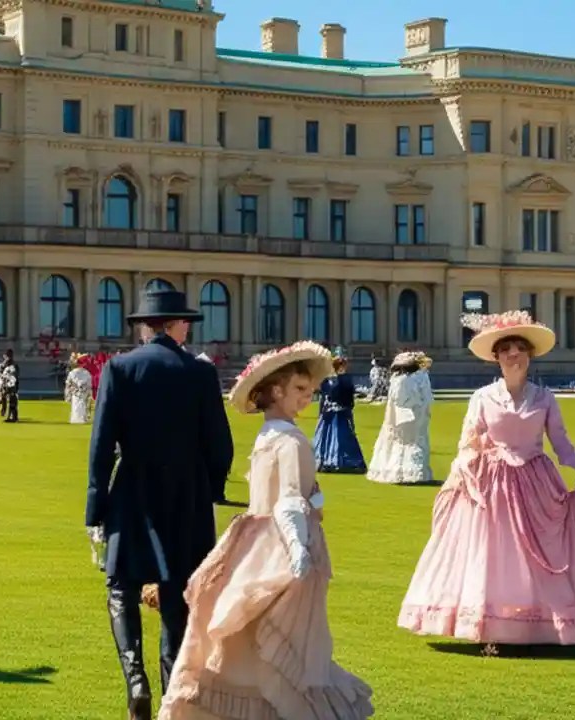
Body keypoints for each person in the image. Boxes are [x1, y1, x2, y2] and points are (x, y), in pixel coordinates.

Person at [160, 341, 373, 719]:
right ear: (276, 391)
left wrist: (312, 500)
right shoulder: (290, 439)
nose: (308, 399)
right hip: (281, 543)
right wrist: (299, 549)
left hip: (253, 542)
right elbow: (289, 500)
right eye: (299, 390)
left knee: (249, 635)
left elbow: (290, 493)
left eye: (309, 391)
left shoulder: (267, 436)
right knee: (292, 641)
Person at [398, 311, 575, 647]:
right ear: (496, 357)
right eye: (506, 349)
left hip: (536, 481)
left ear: (530, 355)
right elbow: (468, 439)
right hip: (493, 482)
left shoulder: (544, 397)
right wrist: (464, 467)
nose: (513, 354)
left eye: (520, 348)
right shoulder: (482, 397)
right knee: (493, 552)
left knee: (536, 555)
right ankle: (490, 623)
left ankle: (535, 621)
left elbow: (560, 439)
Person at [86, 289, 233, 720]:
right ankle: (172, 693)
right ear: (173, 324)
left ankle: (135, 680)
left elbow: (101, 446)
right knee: (177, 597)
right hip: (186, 494)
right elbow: (219, 445)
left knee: (121, 588)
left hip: (133, 489)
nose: (189, 328)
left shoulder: (120, 368)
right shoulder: (200, 373)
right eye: (186, 321)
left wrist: (96, 507)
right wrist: (209, 487)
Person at [367, 351, 434, 484]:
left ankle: (397, 470)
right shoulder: (418, 378)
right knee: (412, 441)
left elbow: (394, 400)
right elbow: (426, 398)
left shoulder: (397, 380)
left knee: (400, 441)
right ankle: (412, 472)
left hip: (400, 413)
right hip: (414, 413)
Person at [311, 347, 367, 474]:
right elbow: (345, 398)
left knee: (335, 437)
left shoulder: (330, 380)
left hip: (332, 413)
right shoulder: (342, 380)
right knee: (339, 437)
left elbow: (325, 397)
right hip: (336, 413)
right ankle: (338, 461)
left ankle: (329, 460)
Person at [64, 353, 93, 424]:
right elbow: (89, 384)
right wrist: (88, 392)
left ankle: (76, 419)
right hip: (83, 391)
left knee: (76, 405)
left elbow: (68, 383)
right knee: (82, 405)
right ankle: (82, 418)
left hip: (75, 391)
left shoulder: (72, 373)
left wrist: (68, 393)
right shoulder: (86, 373)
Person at [0, 349, 19, 423]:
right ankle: (6, 412)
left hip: (11, 385)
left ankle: (13, 417)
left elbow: (14, 376)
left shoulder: (12, 365)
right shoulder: (5, 364)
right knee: (5, 397)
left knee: (12, 400)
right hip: (6, 385)